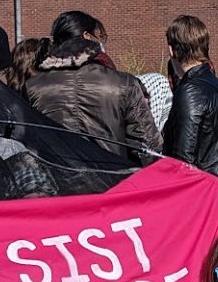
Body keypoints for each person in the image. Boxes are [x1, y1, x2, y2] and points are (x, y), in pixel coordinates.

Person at [24, 10, 160, 166]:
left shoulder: (33, 86)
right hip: (113, 179)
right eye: (100, 37)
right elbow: (148, 146)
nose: (101, 42)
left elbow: (26, 143)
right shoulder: (123, 83)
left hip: (58, 181)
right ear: (87, 36)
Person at [163, 15, 218, 191]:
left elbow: (182, 161)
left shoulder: (190, 91)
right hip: (217, 186)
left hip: (200, 192)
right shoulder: (217, 85)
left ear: (172, 50)